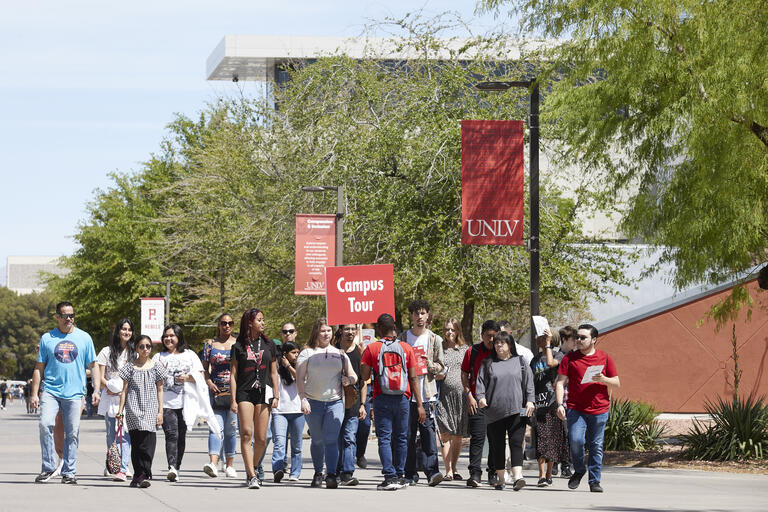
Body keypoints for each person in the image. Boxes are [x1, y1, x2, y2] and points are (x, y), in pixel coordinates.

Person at [30, 301, 99, 484]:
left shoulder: (84, 338)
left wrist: (97, 390)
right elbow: (39, 367)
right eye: (65, 315)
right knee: (45, 425)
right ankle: (48, 467)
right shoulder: (47, 338)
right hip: (51, 391)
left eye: (72, 315)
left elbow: (94, 365)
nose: (69, 319)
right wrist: (34, 393)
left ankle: (69, 472)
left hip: (75, 393)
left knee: (72, 433)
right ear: (57, 317)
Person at [555, 324, 620, 493]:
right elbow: (560, 383)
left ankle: (594, 481)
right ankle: (579, 469)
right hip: (576, 409)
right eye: (577, 337)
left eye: (583, 337)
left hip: (599, 409)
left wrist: (603, 378)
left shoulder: (605, 358)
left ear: (594, 340)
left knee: (596, 446)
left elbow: (617, 383)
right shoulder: (569, 358)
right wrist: (559, 404)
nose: (578, 340)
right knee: (576, 441)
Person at [360, 313, 421, 491]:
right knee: (402, 437)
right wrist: (418, 404)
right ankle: (401, 475)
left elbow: (364, 377)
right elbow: (414, 378)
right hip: (403, 397)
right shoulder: (406, 348)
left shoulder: (372, 348)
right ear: (394, 327)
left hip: (381, 397)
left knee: (384, 438)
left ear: (378, 328)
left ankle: (389, 475)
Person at [296, 318, 357, 489]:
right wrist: (303, 399)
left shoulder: (340, 353)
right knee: (317, 440)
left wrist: (349, 379)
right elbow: (299, 378)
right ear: (316, 332)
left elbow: (354, 375)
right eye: (323, 330)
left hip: (334, 403)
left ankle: (331, 474)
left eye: (329, 330)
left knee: (331, 440)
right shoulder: (306, 353)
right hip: (313, 402)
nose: (326, 334)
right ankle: (317, 473)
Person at [476, 331, 535, 491]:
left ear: (510, 344)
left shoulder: (521, 362)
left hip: (518, 409)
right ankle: (501, 479)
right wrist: (481, 397)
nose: (498, 345)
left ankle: (517, 477)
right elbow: (480, 384)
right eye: (496, 342)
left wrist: (530, 401)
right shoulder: (487, 363)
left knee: (517, 443)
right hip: (494, 411)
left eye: (502, 342)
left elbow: (529, 383)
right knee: (497, 446)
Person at [230, 308, 280, 489]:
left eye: (263, 320)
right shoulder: (238, 347)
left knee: (261, 438)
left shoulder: (270, 345)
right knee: (246, 433)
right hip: (244, 393)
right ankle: (251, 475)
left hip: (264, 393)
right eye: (259, 320)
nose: (263, 323)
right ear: (250, 323)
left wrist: (276, 395)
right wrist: (233, 400)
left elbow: (274, 373)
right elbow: (233, 375)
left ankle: (255, 465)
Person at [398, 300, 445, 486]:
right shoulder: (403, 337)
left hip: (428, 395)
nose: (419, 317)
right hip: (407, 394)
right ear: (411, 316)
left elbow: (441, 366)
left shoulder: (434, 339)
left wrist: (428, 363)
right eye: (416, 313)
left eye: (423, 313)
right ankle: (410, 473)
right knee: (408, 435)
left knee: (428, 434)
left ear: (428, 316)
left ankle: (432, 472)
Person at [153, 324, 205, 482]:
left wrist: (187, 378)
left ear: (179, 337)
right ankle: (172, 467)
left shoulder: (189, 355)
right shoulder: (159, 357)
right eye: (166, 336)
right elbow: (152, 379)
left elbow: (201, 374)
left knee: (181, 436)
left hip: (186, 404)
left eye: (171, 336)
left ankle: (177, 466)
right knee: (172, 434)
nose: (168, 339)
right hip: (166, 403)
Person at [117, 335, 167, 488]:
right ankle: (138, 474)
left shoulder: (157, 366)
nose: (145, 349)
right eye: (142, 346)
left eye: (148, 346)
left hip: (151, 408)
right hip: (133, 408)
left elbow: (160, 389)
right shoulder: (129, 367)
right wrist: (120, 411)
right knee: (137, 443)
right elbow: (124, 390)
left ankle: (144, 472)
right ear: (137, 348)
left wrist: (160, 411)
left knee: (148, 442)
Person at [95, 318, 136, 481]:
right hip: (110, 397)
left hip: (128, 398)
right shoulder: (106, 351)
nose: (126, 332)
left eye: (129, 329)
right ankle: (112, 463)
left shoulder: (135, 352)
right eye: (123, 329)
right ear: (118, 331)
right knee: (112, 433)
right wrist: (108, 387)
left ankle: (124, 467)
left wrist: (124, 391)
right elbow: (99, 373)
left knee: (125, 433)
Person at [460, 319, 498, 487]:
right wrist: (469, 395)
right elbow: (464, 374)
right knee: (478, 438)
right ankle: (474, 474)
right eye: (488, 336)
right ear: (482, 335)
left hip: (497, 403)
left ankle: (493, 473)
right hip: (476, 400)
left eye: (494, 336)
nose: (492, 340)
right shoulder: (472, 351)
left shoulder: (502, 352)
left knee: (495, 438)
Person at [201, 313, 238, 479]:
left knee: (230, 431)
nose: (227, 326)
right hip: (215, 393)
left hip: (234, 394)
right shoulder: (210, 345)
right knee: (215, 429)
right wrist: (209, 383)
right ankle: (213, 464)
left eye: (230, 323)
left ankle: (229, 465)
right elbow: (204, 370)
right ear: (219, 325)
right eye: (224, 323)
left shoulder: (238, 344)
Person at [530, 327, 569, 486]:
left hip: (553, 403)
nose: (535, 338)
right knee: (540, 440)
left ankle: (549, 474)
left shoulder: (559, 355)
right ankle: (541, 475)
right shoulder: (535, 359)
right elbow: (531, 380)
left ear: (550, 339)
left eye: (539, 336)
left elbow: (551, 363)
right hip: (539, 403)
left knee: (552, 440)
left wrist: (547, 344)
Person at [435, 317, 469, 480]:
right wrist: (436, 376)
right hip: (443, 396)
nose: (449, 332)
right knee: (445, 434)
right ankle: (447, 469)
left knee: (457, 435)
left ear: (458, 331)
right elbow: (431, 368)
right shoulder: (438, 348)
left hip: (461, 397)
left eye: (452, 329)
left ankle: (454, 468)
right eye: (447, 329)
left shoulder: (464, 349)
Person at [335, 324, 367, 486]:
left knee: (349, 438)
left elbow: (363, 382)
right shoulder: (332, 351)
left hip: (353, 404)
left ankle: (347, 473)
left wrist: (363, 404)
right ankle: (336, 470)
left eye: (353, 329)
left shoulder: (359, 353)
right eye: (346, 329)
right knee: (336, 439)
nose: (350, 332)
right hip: (333, 402)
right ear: (340, 330)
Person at [271, 340, 305, 482]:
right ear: (284, 354)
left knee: (296, 445)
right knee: (279, 442)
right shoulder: (277, 366)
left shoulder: (301, 366)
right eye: (293, 352)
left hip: (297, 410)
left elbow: (301, 379)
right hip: (280, 411)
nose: (296, 355)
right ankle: (278, 469)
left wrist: (289, 366)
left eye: (298, 352)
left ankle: (295, 473)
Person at [555, 325, 578, 478]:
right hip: (559, 400)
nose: (576, 342)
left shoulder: (576, 357)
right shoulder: (557, 358)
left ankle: (566, 465)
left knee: (569, 435)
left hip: (572, 400)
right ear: (564, 339)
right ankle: (556, 464)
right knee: (559, 434)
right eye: (573, 339)